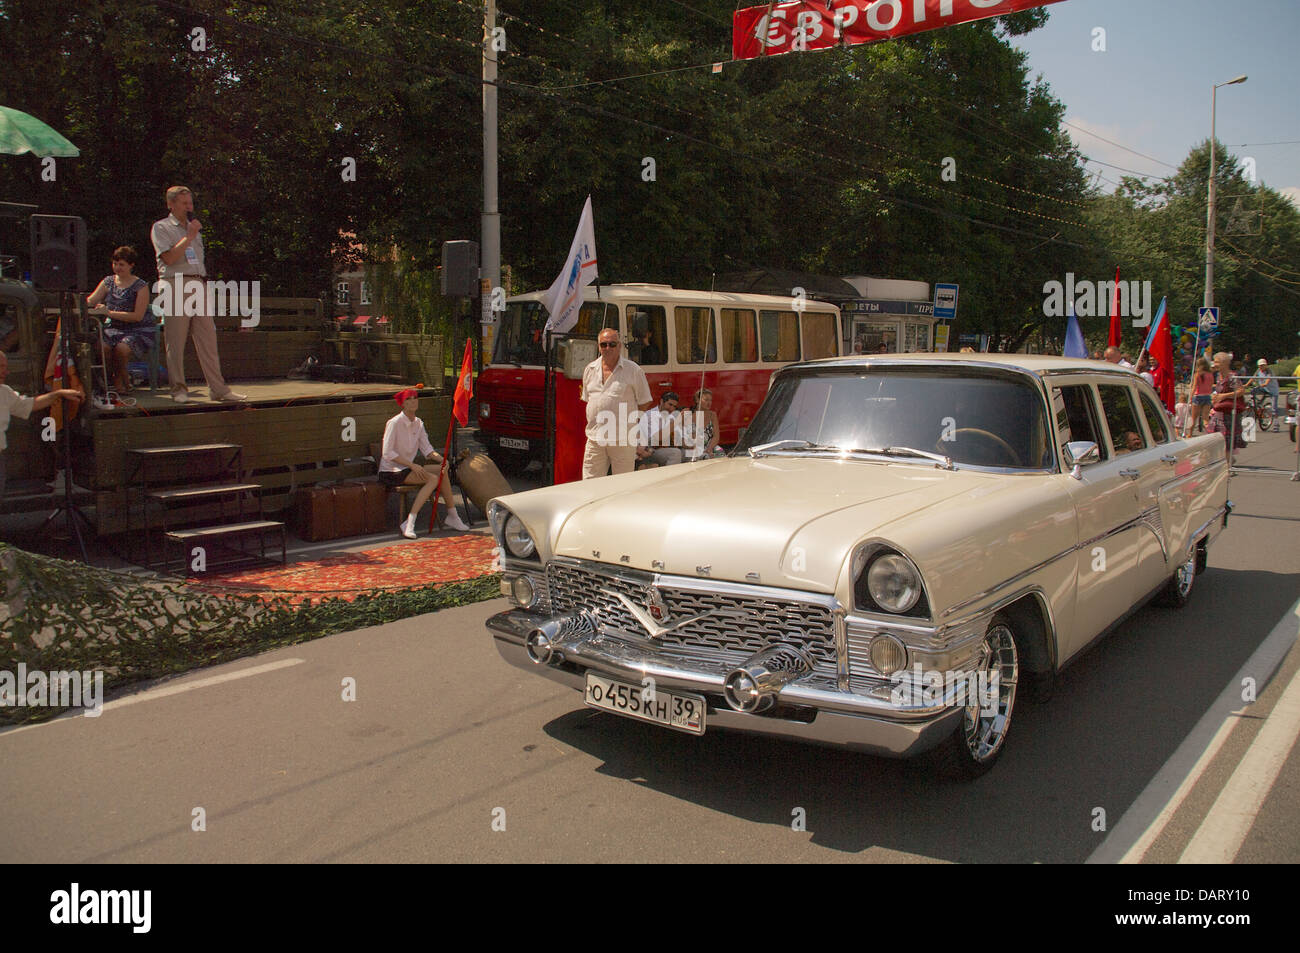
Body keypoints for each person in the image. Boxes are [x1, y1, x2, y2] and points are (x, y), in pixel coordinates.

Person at [151, 185, 245, 404]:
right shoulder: (161, 227)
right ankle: (178, 389)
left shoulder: (194, 229)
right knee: (175, 341)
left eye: (190, 203)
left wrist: (193, 233)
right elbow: (170, 259)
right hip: (174, 284)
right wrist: (189, 236)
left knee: (208, 339)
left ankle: (219, 389)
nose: (189, 207)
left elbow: (197, 261)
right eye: (184, 203)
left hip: (198, 284)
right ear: (171, 204)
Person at [378, 388, 469, 537]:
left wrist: (442, 460)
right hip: (391, 471)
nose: (413, 401)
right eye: (408, 399)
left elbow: (427, 450)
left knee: (441, 471)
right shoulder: (394, 423)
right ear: (402, 404)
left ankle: (453, 516)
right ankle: (409, 522)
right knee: (432, 479)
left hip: (409, 468)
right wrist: (412, 465)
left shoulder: (419, 423)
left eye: (415, 398)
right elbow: (387, 453)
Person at [0, 351, 82, 495]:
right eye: (1, 367)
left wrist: (58, 394)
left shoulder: (4, 393)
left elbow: (29, 404)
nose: (5, 372)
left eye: (5, 367)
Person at [581, 328, 653, 479]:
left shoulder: (633, 370)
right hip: (595, 438)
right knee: (589, 483)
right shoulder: (590, 370)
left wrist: (629, 423)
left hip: (622, 439)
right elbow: (590, 401)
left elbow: (645, 401)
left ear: (619, 346)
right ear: (598, 346)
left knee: (622, 484)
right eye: (603, 344)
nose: (608, 348)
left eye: (612, 344)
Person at [86, 246, 151, 394]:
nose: (117, 267)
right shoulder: (108, 281)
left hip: (137, 328)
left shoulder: (141, 286)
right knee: (102, 348)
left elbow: (137, 316)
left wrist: (108, 312)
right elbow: (92, 299)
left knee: (121, 349)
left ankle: (120, 380)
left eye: (121, 264)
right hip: (113, 328)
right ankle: (117, 378)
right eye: (115, 264)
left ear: (131, 265)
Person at [1208, 350, 1247, 460]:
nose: (1214, 364)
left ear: (1225, 363)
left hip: (1230, 412)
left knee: (1227, 439)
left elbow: (1241, 391)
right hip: (1220, 411)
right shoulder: (1218, 376)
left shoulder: (1231, 377)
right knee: (1218, 438)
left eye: (1217, 362)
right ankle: (1226, 460)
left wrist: (1224, 396)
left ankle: (1228, 464)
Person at [636, 391, 684, 468]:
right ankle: (669, 479)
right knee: (675, 453)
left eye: (674, 406)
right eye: (670, 404)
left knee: (691, 453)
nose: (672, 408)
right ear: (661, 401)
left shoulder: (671, 417)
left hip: (665, 448)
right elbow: (656, 439)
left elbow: (679, 439)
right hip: (649, 449)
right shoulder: (649, 415)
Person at [682, 387, 723, 461]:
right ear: (697, 400)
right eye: (706, 400)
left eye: (710, 400)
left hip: (709, 446)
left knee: (721, 453)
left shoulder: (712, 415)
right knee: (705, 457)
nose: (709, 403)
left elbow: (716, 436)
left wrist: (709, 448)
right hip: (692, 448)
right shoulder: (688, 414)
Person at [1250, 358, 1280, 431]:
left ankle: (1276, 425)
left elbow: (1268, 379)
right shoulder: (1258, 370)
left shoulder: (1269, 371)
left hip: (1273, 391)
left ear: (1266, 365)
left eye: (1263, 365)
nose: (1261, 367)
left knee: (1274, 408)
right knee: (1252, 390)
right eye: (1260, 366)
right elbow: (1253, 378)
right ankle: (1256, 405)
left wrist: (1265, 383)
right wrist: (1245, 385)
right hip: (1263, 388)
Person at [1190, 356, 1214, 436]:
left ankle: (1189, 434)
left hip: (1198, 397)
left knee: (1193, 418)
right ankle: (1209, 432)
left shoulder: (1197, 374)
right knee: (1205, 418)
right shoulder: (1210, 374)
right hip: (1207, 396)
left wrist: (1190, 397)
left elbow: (1194, 387)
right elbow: (1211, 385)